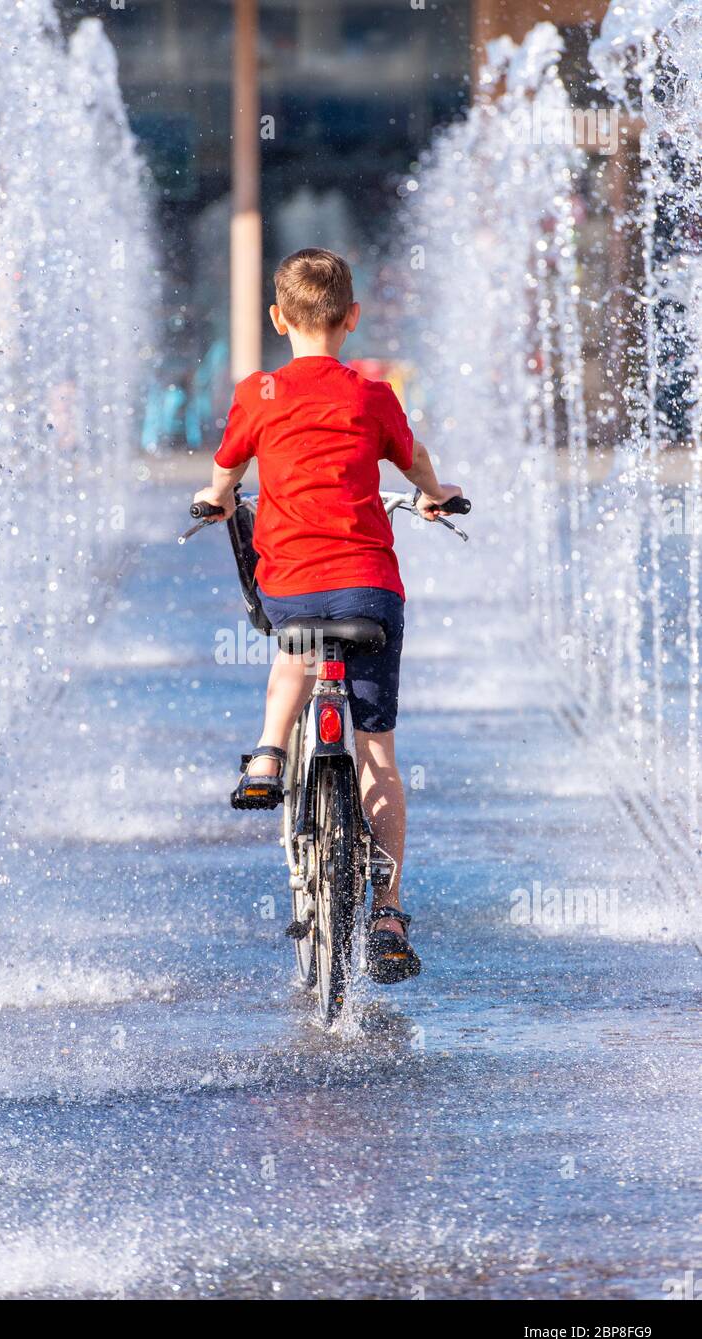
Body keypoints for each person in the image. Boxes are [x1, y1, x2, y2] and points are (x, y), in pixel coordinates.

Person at [192, 248, 460, 982]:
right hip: (368, 594)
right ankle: (387, 911)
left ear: (278, 319)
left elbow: (225, 473)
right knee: (378, 756)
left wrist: (215, 500)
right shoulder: (370, 397)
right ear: (352, 319)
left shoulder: (259, 392)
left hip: (294, 590)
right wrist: (435, 495)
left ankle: (269, 753)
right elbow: (413, 463)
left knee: (294, 647)